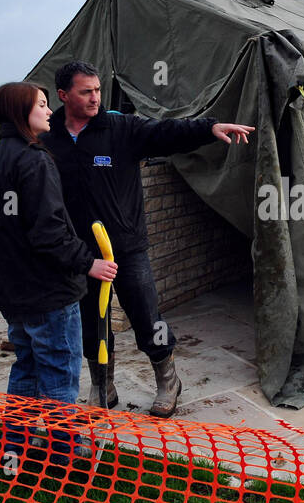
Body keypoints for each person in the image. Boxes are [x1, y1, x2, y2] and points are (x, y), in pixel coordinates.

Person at [41, 61, 253, 418]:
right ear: (63, 95)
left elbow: (167, 131)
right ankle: (102, 384)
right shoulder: (50, 140)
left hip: (126, 246)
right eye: (86, 92)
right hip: (81, 253)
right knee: (91, 320)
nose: (95, 97)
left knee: (146, 316)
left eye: (97, 90)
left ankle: (168, 379)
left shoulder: (119, 128)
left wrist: (209, 127)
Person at [0, 82, 117, 453]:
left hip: (14, 293)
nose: (49, 112)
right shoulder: (33, 159)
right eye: (41, 105)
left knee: (26, 366)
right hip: (46, 293)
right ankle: (65, 450)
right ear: (19, 111)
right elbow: (48, 232)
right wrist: (89, 264)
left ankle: (16, 444)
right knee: (59, 372)